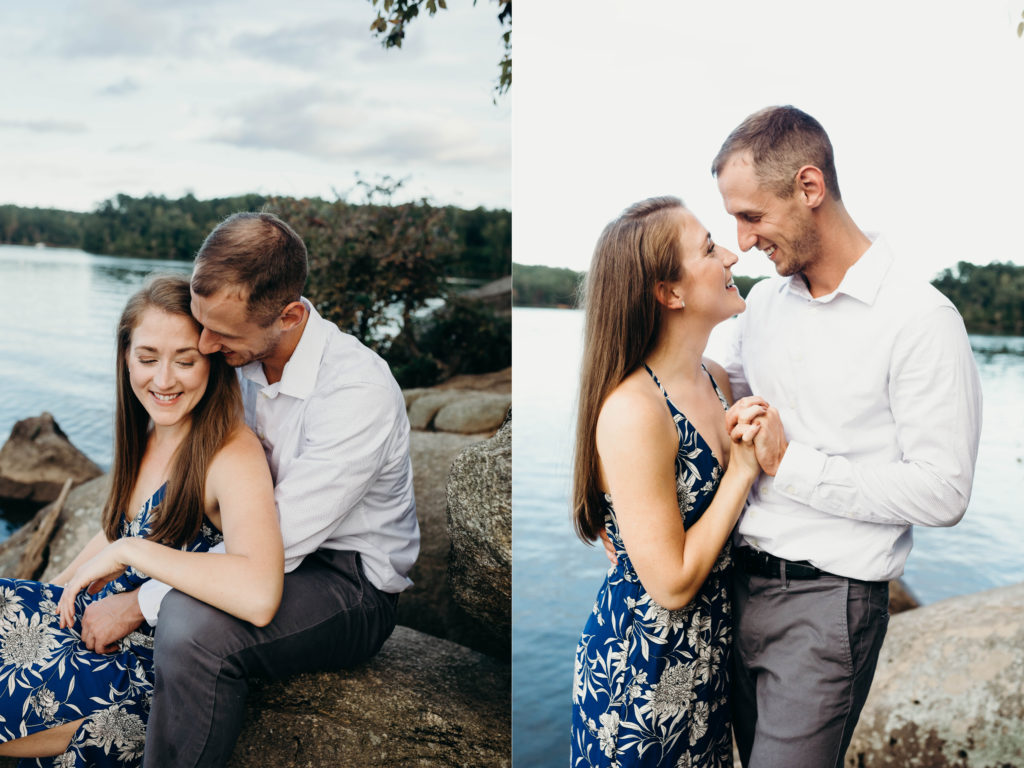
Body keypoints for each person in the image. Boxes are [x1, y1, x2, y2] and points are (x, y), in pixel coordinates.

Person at [80, 212, 419, 767]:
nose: (206, 343)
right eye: (202, 323)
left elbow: (279, 546)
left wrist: (139, 603)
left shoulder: (358, 391)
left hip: (347, 579)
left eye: (224, 333)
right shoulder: (238, 355)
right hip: (247, 545)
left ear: (289, 316)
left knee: (190, 628)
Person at [712, 106, 983, 767]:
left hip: (828, 604)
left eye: (752, 216)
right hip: (732, 588)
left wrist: (789, 462)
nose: (742, 241)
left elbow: (943, 491)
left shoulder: (921, 319)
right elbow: (709, 388)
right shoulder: (763, 303)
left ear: (809, 187)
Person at [0, 274, 283, 767]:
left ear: (213, 362)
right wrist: (57, 590)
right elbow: (120, 529)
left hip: (142, 668)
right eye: (148, 359)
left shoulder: (230, 452)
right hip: (93, 622)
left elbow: (259, 594)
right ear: (126, 358)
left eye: (185, 361)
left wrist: (130, 552)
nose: (164, 380)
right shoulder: (148, 430)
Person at [571, 197, 766, 767]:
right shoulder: (635, 409)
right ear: (670, 292)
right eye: (708, 249)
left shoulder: (716, 379)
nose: (730, 254)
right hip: (642, 673)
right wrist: (742, 471)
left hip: (708, 664)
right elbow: (672, 584)